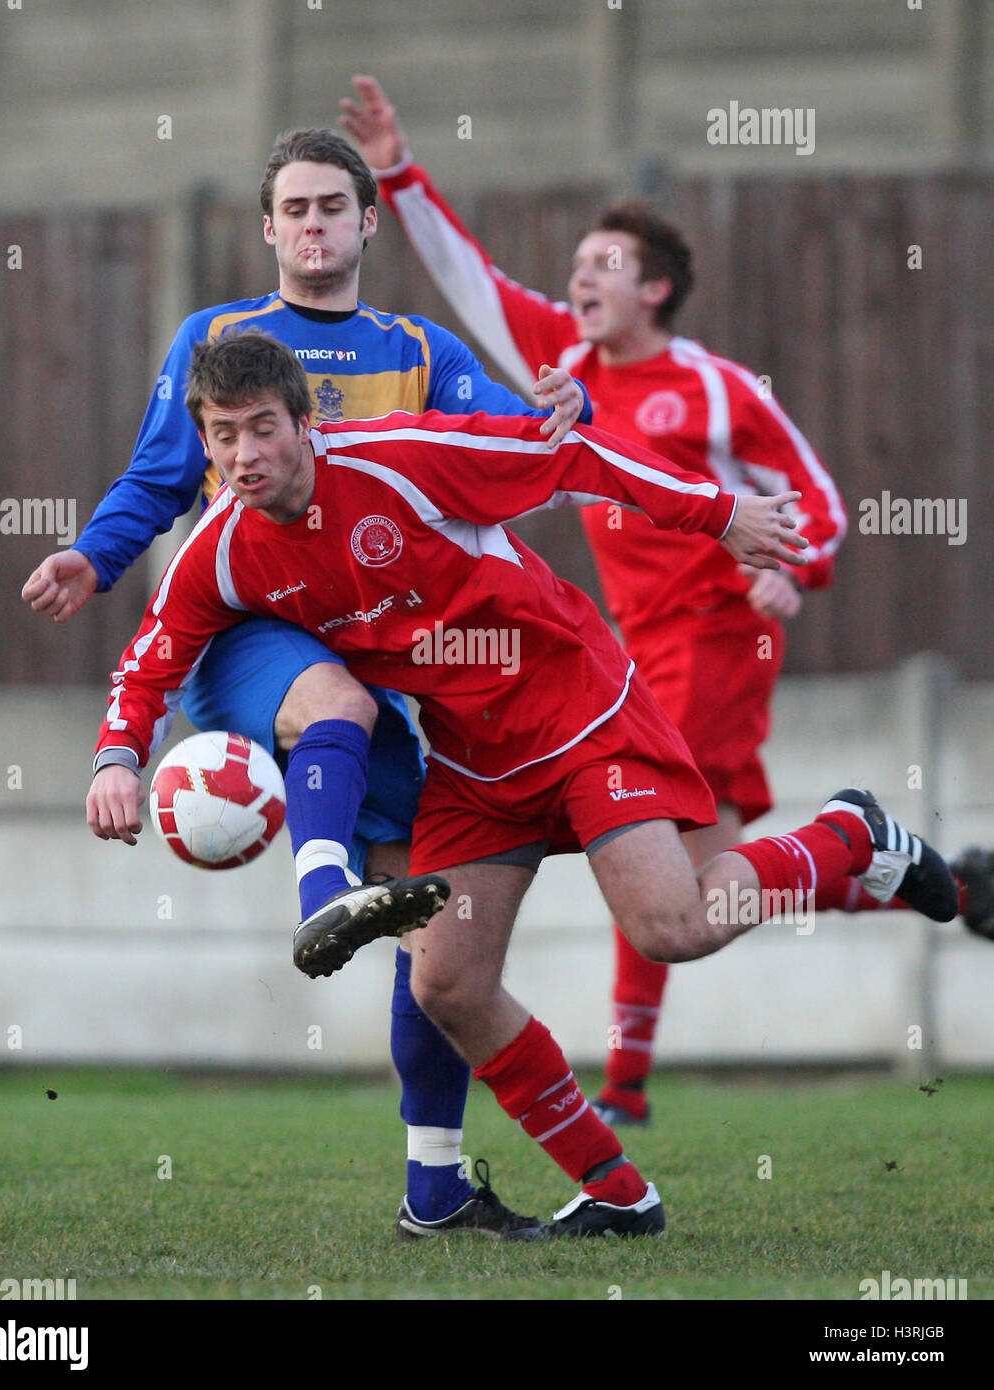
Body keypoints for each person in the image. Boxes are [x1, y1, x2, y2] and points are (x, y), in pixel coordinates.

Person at [86, 330, 959, 1237]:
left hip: (575, 707)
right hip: (473, 753)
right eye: (222, 436)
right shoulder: (219, 548)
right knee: (447, 984)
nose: (243, 455)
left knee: (673, 927)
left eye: (262, 428)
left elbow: (566, 450)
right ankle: (619, 1197)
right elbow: (151, 662)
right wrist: (118, 757)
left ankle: (849, 837)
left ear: (306, 422)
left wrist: (716, 512)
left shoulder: (405, 458)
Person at [339, 75, 994, 1126]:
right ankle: (902, 866)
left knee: (646, 871)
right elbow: (472, 278)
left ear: (655, 290)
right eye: (575, 267)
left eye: (601, 266)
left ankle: (627, 1089)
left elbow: (816, 498)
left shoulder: (717, 387)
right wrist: (398, 170)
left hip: (713, 646)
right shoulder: (568, 359)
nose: (576, 280)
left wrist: (795, 564)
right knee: (705, 883)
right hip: (630, 655)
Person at [21, 126, 592, 1239]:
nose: (315, 226)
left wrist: (565, 411)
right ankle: (317, 891)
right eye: (296, 208)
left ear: (367, 222)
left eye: (335, 206)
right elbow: (158, 474)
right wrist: (93, 557)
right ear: (271, 225)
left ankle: (433, 1189)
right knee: (333, 699)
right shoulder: (220, 341)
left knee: (432, 921)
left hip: (376, 659)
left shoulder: (416, 346)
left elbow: (505, 444)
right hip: (245, 631)